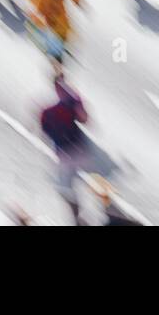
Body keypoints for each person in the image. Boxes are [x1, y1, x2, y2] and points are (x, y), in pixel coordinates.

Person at [40, 75, 90, 224]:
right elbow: (85, 119)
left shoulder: (52, 111)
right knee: (68, 183)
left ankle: (77, 215)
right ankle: (78, 213)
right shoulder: (60, 108)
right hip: (74, 149)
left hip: (69, 151)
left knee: (65, 185)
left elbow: (84, 119)